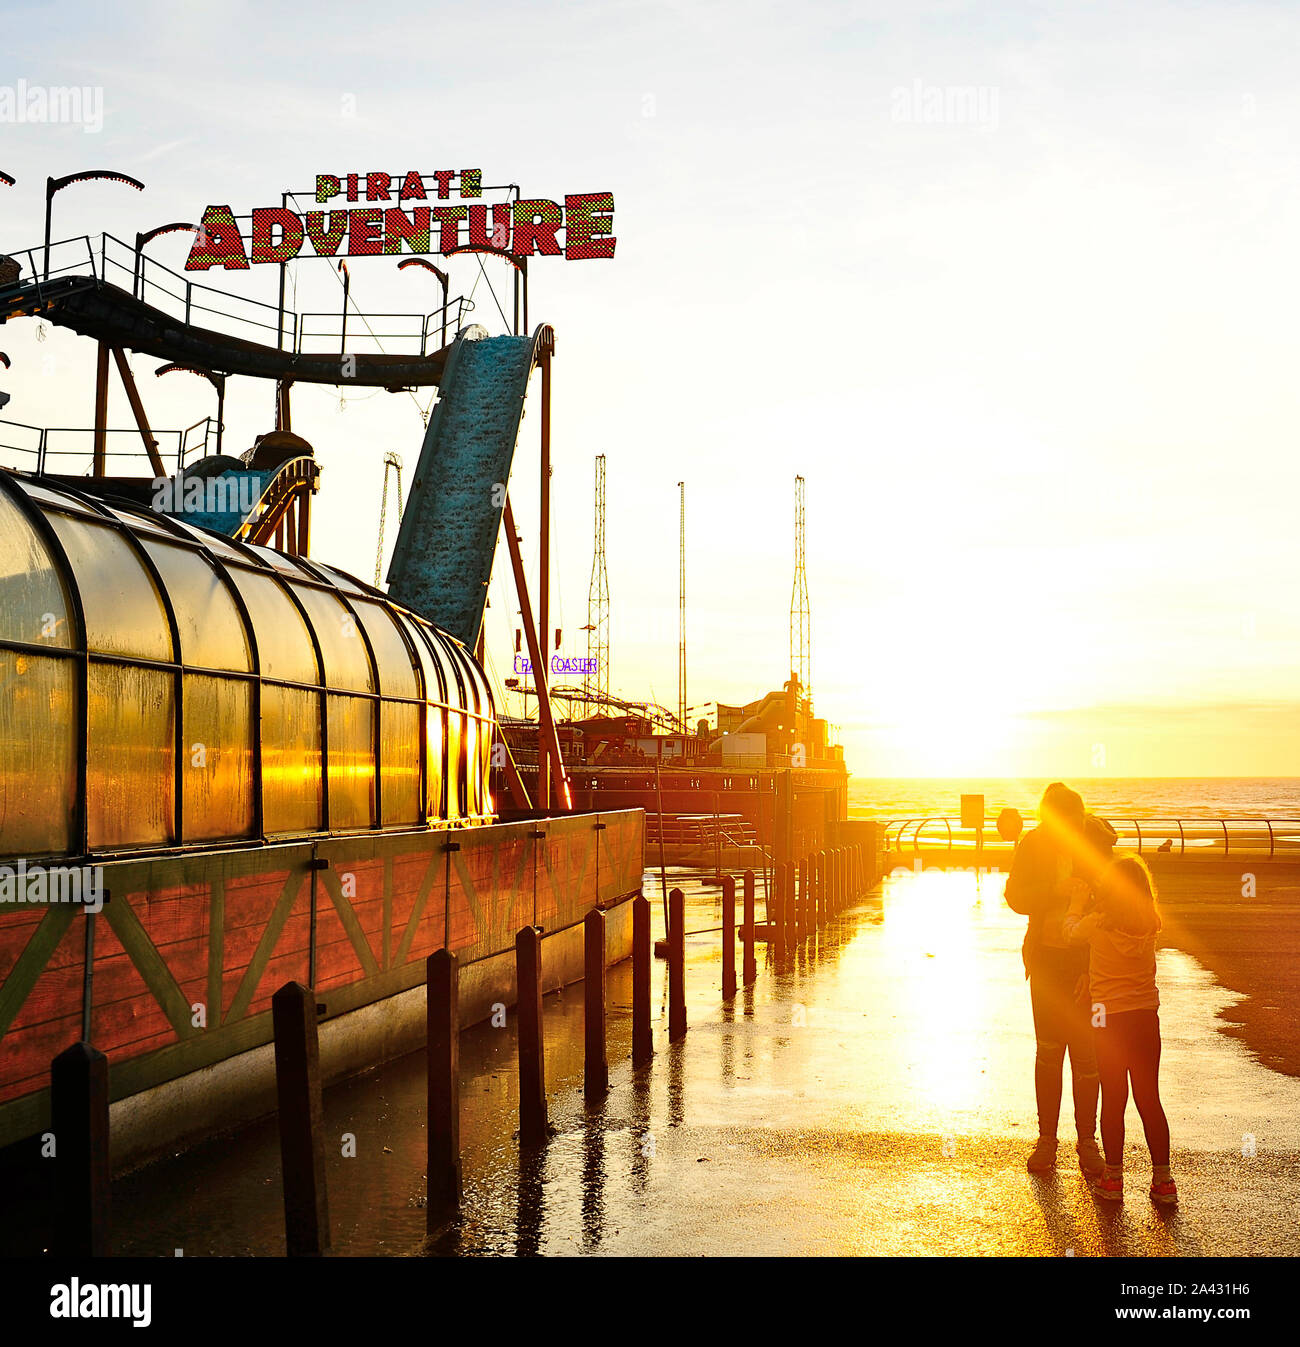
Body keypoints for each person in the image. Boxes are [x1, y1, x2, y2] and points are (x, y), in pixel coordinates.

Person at [1064, 854, 1176, 1206]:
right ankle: (1163, 1180)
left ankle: (1113, 1178)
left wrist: (1076, 904)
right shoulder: (1149, 924)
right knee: (1149, 1099)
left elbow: (1068, 934)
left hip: (1106, 1016)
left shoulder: (1098, 924)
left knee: (1113, 1098)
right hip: (1145, 1017)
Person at [1004, 783, 1104, 1176]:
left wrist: (1091, 968)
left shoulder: (1091, 845)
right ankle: (1047, 1140)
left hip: (1083, 962)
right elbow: (1015, 897)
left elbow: (1109, 904)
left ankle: (1087, 1143)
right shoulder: (1033, 845)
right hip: (1045, 960)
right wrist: (1053, 891)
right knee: (1048, 1053)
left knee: (1087, 1057)